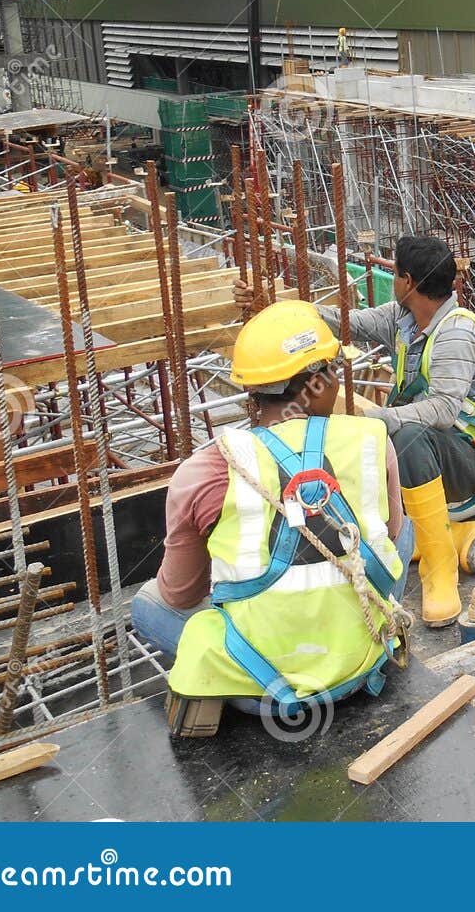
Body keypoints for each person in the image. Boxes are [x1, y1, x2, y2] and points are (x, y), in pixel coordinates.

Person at [131, 301, 411, 714]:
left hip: (261, 689)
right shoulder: (371, 441)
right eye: (332, 370)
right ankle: (375, 627)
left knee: (147, 604)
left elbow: (179, 593)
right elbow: (389, 545)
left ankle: (225, 676)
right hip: (359, 661)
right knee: (400, 531)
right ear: (316, 382)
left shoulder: (204, 470)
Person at [312, 236, 475, 628]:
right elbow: (349, 325)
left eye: (394, 272)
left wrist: (382, 420)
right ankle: (445, 538)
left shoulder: (455, 333)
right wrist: (295, 314)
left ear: (408, 282)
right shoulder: (403, 318)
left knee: (405, 435)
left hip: (467, 461)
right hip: (431, 452)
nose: (391, 278)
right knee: (388, 437)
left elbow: (441, 409)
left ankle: (440, 573)